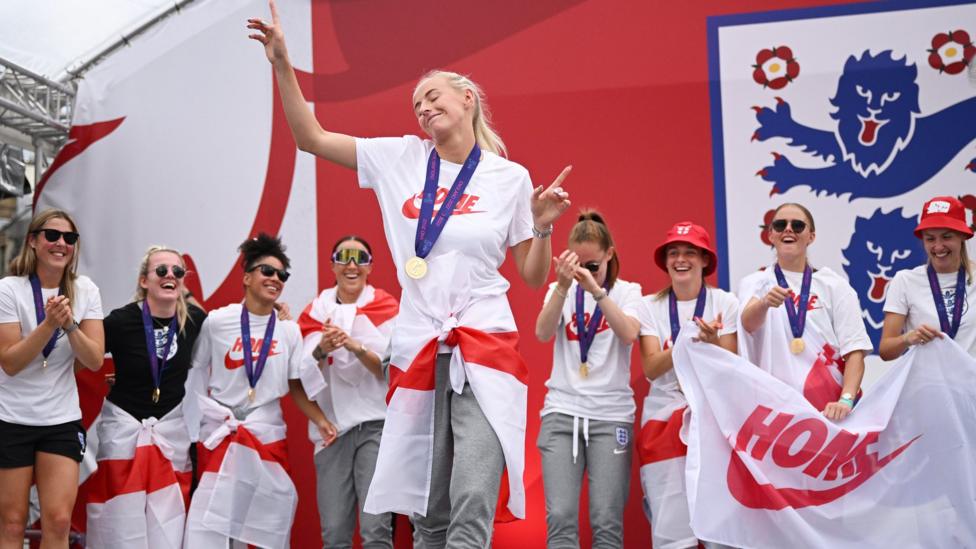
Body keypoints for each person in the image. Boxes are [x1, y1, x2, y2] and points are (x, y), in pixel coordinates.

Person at [248, 2, 571, 546]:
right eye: (415, 104)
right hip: (420, 345)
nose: (422, 109)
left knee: (473, 491)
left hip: (485, 342)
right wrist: (283, 64)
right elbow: (312, 138)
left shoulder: (509, 178)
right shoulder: (398, 158)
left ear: (467, 99)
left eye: (432, 96)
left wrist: (540, 228)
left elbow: (532, 276)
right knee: (428, 508)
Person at [182, 233, 335, 549]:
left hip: (266, 433)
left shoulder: (288, 330)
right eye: (267, 271)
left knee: (260, 520)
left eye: (282, 275)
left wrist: (320, 419)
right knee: (208, 519)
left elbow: (295, 384)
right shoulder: (218, 321)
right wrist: (191, 425)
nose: (275, 279)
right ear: (247, 277)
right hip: (221, 433)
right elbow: (195, 371)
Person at [84, 246, 206, 548]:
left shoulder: (194, 321)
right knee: (121, 524)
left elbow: (236, 332)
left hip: (170, 436)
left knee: (168, 526)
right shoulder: (120, 321)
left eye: (177, 271)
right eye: (161, 270)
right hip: (125, 432)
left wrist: (279, 316)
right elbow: (85, 354)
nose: (170, 276)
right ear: (143, 281)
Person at [534, 211, 641, 548]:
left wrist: (596, 290)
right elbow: (541, 333)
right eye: (577, 264)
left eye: (592, 265)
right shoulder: (558, 289)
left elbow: (628, 334)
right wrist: (564, 286)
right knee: (561, 517)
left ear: (610, 254)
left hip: (611, 416)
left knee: (606, 518)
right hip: (562, 412)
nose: (584, 272)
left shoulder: (628, 292)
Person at [0, 209, 104, 548]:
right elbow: (10, 363)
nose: (61, 243)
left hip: (60, 420)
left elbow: (92, 360)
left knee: (58, 521)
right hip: (11, 418)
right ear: (33, 241)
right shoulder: (9, 290)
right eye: (52, 235)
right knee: (13, 524)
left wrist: (70, 324)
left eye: (69, 238)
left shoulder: (86, 289)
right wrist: (48, 324)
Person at [636, 222, 738, 549]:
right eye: (674, 253)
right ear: (665, 262)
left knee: (722, 521)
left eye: (690, 252)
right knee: (670, 524)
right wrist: (688, 339)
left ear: (705, 260)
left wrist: (712, 343)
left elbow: (732, 366)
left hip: (713, 420)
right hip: (663, 422)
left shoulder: (725, 302)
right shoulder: (649, 306)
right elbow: (651, 367)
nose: (681, 259)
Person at [297, 235, 398, 548]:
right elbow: (299, 373)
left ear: (370, 267)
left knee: (376, 530)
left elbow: (389, 370)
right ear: (332, 265)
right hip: (332, 430)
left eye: (361, 258)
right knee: (335, 533)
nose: (352, 265)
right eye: (344, 257)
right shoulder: (316, 311)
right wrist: (321, 349)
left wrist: (353, 345)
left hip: (376, 427)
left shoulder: (387, 308)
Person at [739, 203, 872, 420]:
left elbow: (855, 350)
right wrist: (764, 304)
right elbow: (747, 325)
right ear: (771, 235)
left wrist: (846, 400)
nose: (788, 229)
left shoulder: (834, 285)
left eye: (798, 225)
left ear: (811, 236)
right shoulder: (756, 283)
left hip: (829, 410)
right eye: (781, 225)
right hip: (775, 411)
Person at [880, 195, 975, 358]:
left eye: (947, 237)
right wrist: (907, 338)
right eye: (930, 238)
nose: (938, 246)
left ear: (963, 237)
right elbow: (885, 351)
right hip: (926, 383)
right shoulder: (905, 280)